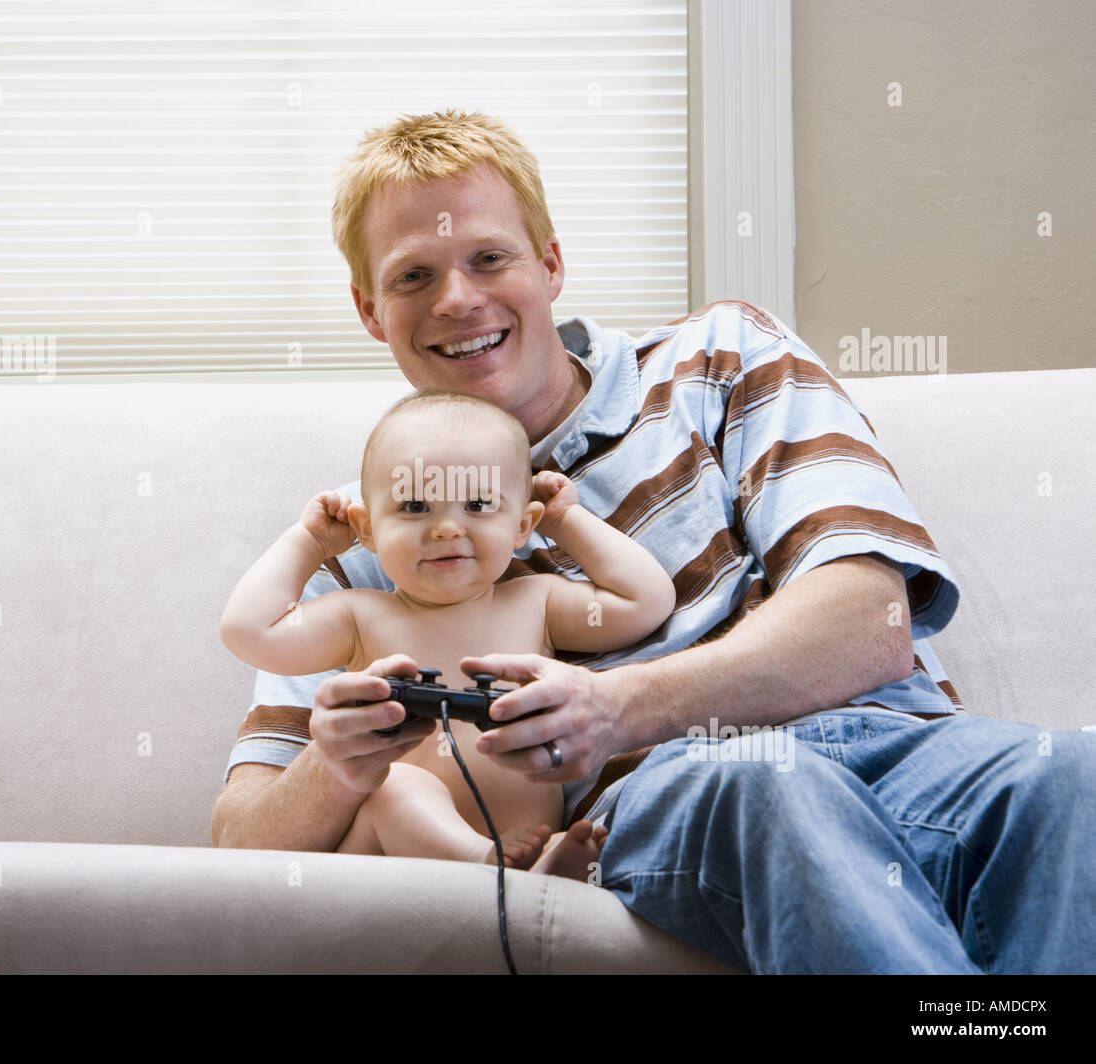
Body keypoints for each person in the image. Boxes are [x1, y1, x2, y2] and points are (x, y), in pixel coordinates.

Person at [211, 109, 1096, 974]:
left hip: (902, 749)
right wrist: (337, 764)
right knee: (771, 783)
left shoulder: (719, 358)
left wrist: (617, 707)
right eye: (412, 277)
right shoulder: (371, 539)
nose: (457, 299)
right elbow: (242, 841)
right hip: (701, 793)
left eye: (489, 258)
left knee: (1074, 773)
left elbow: (870, 620)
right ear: (370, 311)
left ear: (550, 265)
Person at [219, 389, 675, 876]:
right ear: (366, 530)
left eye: (478, 504)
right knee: (397, 785)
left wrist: (567, 520)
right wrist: (308, 542)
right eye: (415, 507)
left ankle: (533, 868)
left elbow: (646, 601)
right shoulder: (358, 615)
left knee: (578, 832)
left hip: (524, 844)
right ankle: (487, 862)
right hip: (392, 860)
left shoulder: (537, 602)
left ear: (523, 525)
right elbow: (247, 632)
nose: (445, 528)